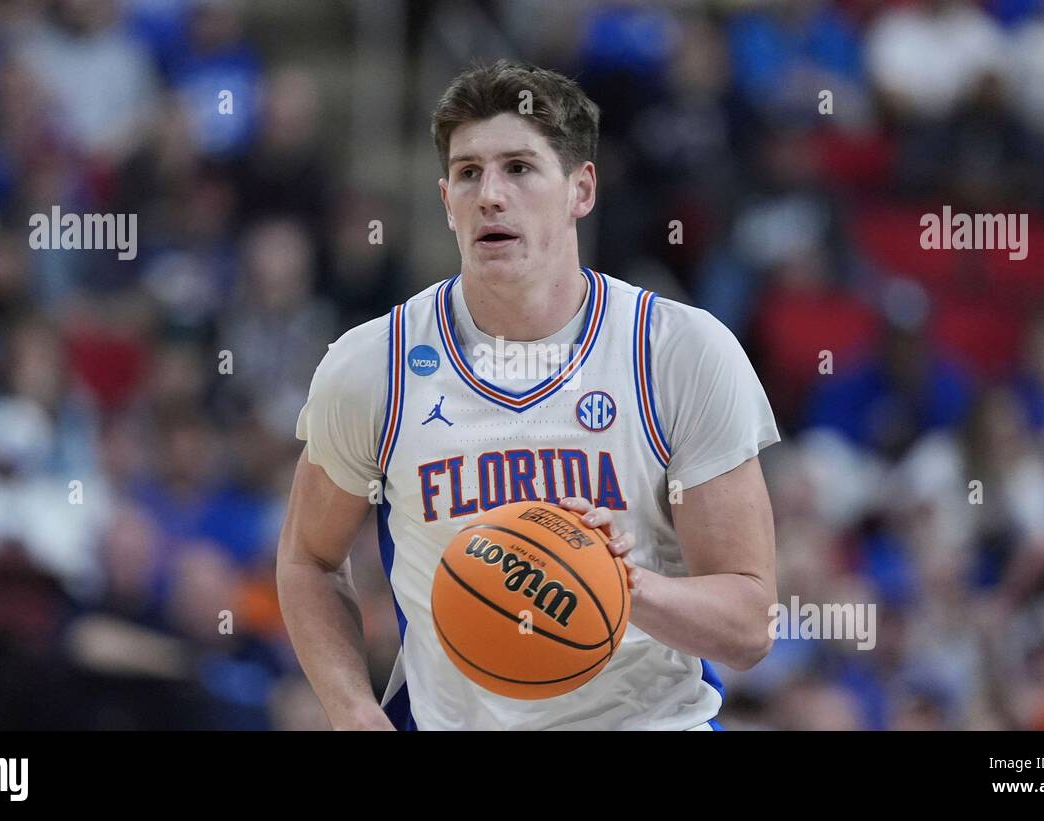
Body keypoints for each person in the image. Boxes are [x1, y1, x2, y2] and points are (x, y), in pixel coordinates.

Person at [276, 60, 781, 730]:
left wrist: (620, 586)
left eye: (518, 167)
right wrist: (351, 709)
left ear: (582, 189)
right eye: (468, 173)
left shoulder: (678, 350)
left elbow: (750, 624)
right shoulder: (375, 366)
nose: (489, 194)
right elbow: (308, 558)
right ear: (446, 198)